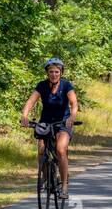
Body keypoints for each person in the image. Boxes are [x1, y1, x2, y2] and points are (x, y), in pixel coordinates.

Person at [20, 58, 79, 200]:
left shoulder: (66, 85)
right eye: (51, 71)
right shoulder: (42, 85)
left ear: (61, 73)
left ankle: (64, 186)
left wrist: (72, 116)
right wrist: (25, 115)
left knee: (60, 149)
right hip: (45, 122)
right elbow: (31, 101)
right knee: (41, 151)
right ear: (47, 73)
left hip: (63, 123)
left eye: (56, 72)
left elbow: (74, 102)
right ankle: (47, 177)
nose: (54, 74)